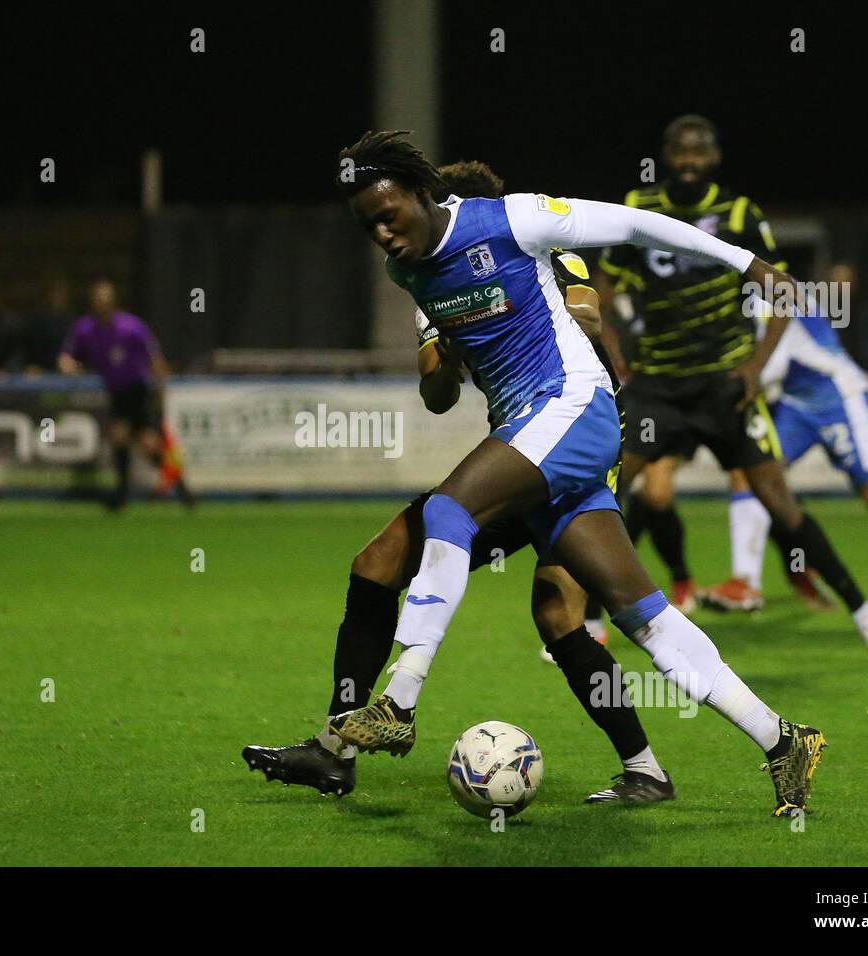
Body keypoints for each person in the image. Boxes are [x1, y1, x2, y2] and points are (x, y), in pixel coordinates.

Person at [325, 130, 825, 818]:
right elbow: (443, 383)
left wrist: (747, 263)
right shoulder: (408, 275)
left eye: (390, 214)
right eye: (368, 225)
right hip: (533, 437)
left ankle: (399, 700)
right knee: (643, 617)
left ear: (423, 194)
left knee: (448, 512)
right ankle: (782, 739)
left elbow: (634, 224)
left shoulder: (511, 219)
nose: (382, 233)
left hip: (571, 406)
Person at [244, 161, 675, 805]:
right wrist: (450, 336)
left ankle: (645, 770)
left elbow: (586, 322)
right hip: (514, 450)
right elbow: (438, 395)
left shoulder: (542, 251)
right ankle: (336, 748)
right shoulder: (427, 280)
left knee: (560, 613)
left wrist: (504, 300)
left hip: (572, 445)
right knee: (377, 562)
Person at [595, 115, 868, 665]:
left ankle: (866, 613)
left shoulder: (739, 214)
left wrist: (757, 365)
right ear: (666, 155)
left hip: (725, 387)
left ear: (713, 158)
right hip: (659, 386)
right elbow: (605, 279)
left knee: (778, 502)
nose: (688, 161)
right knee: (610, 492)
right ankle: (594, 618)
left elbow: (783, 291)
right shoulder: (637, 204)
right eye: (680, 152)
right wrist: (615, 352)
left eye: (699, 152)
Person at [703, 310, 868, 623]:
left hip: (839, 396)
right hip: (795, 402)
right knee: (746, 473)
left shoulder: (768, 291)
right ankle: (745, 581)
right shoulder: (739, 294)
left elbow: (766, 368)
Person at [59, 279, 191, 508]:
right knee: (119, 438)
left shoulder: (132, 328)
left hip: (139, 390)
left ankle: (180, 488)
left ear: (113, 303)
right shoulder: (85, 329)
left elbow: (156, 361)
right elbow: (68, 356)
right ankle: (122, 494)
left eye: (106, 301)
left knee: (148, 444)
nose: (102, 306)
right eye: (98, 302)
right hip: (116, 392)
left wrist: (161, 390)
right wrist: (67, 366)